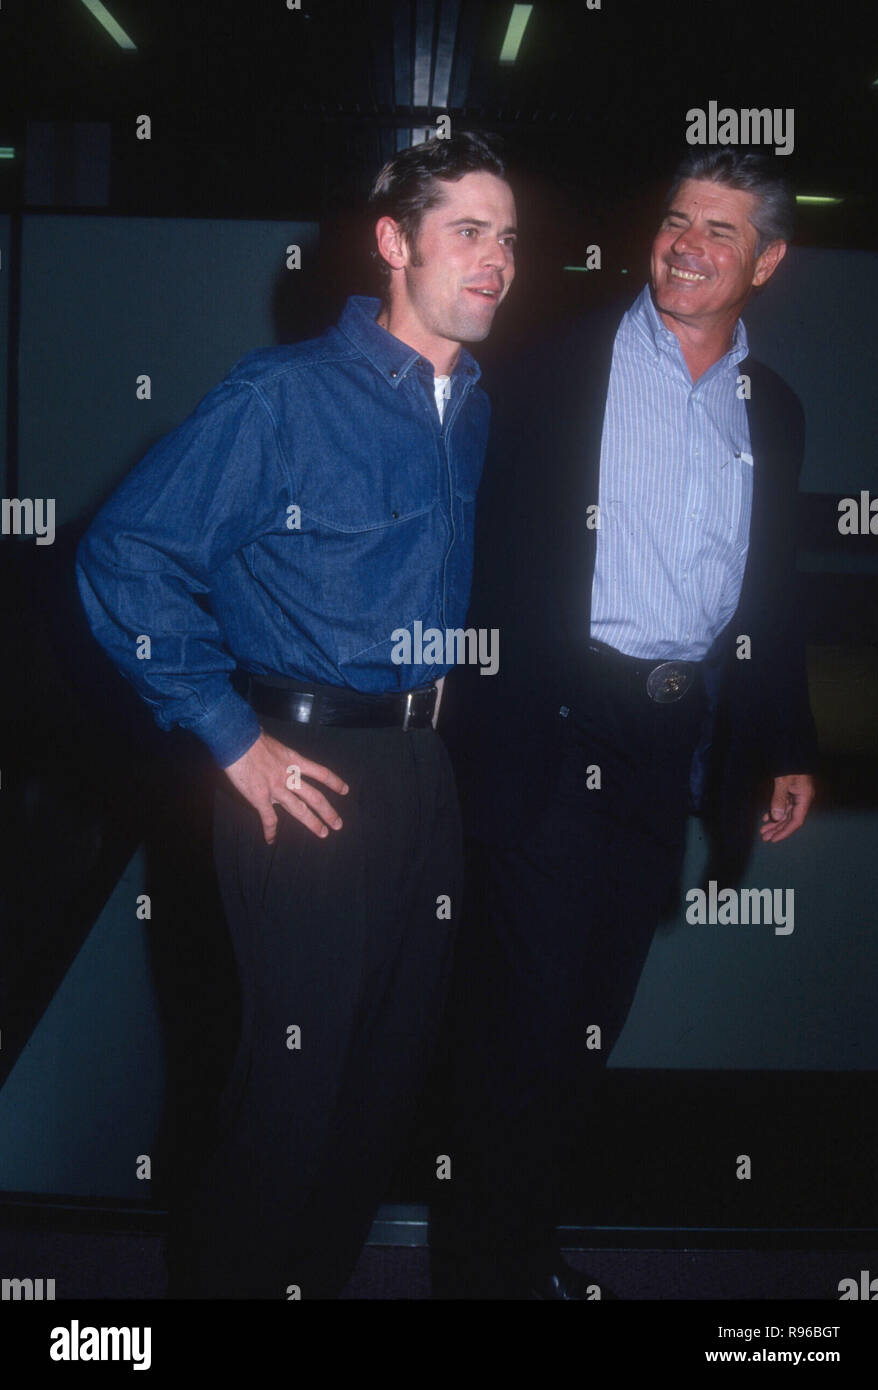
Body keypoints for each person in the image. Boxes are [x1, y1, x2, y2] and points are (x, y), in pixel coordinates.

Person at [75, 131, 517, 1299]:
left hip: (423, 772)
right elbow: (125, 557)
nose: (495, 259)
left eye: (508, 236)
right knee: (290, 1101)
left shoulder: (464, 401)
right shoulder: (282, 399)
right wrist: (229, 734)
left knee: (376, 1095)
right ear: (392, 242)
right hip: (303, 769)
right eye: (467, 230)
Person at [430, 148, 818, 1300]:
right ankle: (482, 1277)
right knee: (527, 1027)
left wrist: (783, 739)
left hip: (668, 739)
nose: (686, 244)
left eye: (719, 229)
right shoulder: (553, 368)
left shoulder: (772, 409)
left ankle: (520, 1251)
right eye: (675, 220)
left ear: (768, 259)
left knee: (588, 1020)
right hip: (556, 728)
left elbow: (769, 589)